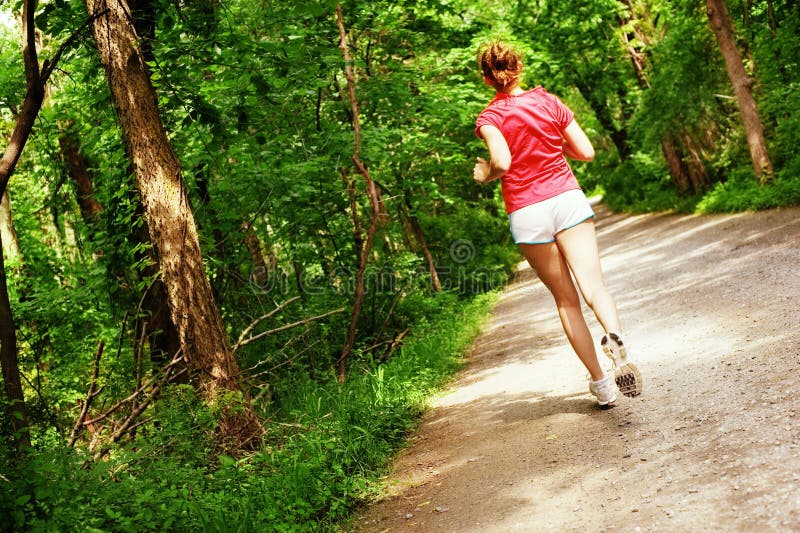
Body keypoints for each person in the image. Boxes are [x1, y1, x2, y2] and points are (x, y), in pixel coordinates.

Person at [472, 40, 642, 406]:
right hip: (566, 199)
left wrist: (485, 174)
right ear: (519, 68)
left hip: (527, 210)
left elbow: (501, 162)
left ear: (487, 79)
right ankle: (615, 337)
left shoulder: (489, 118)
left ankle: (602, 385)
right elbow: (587, 152)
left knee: (566, 301)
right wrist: (551, 145)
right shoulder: (549, 102)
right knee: (594, 287)